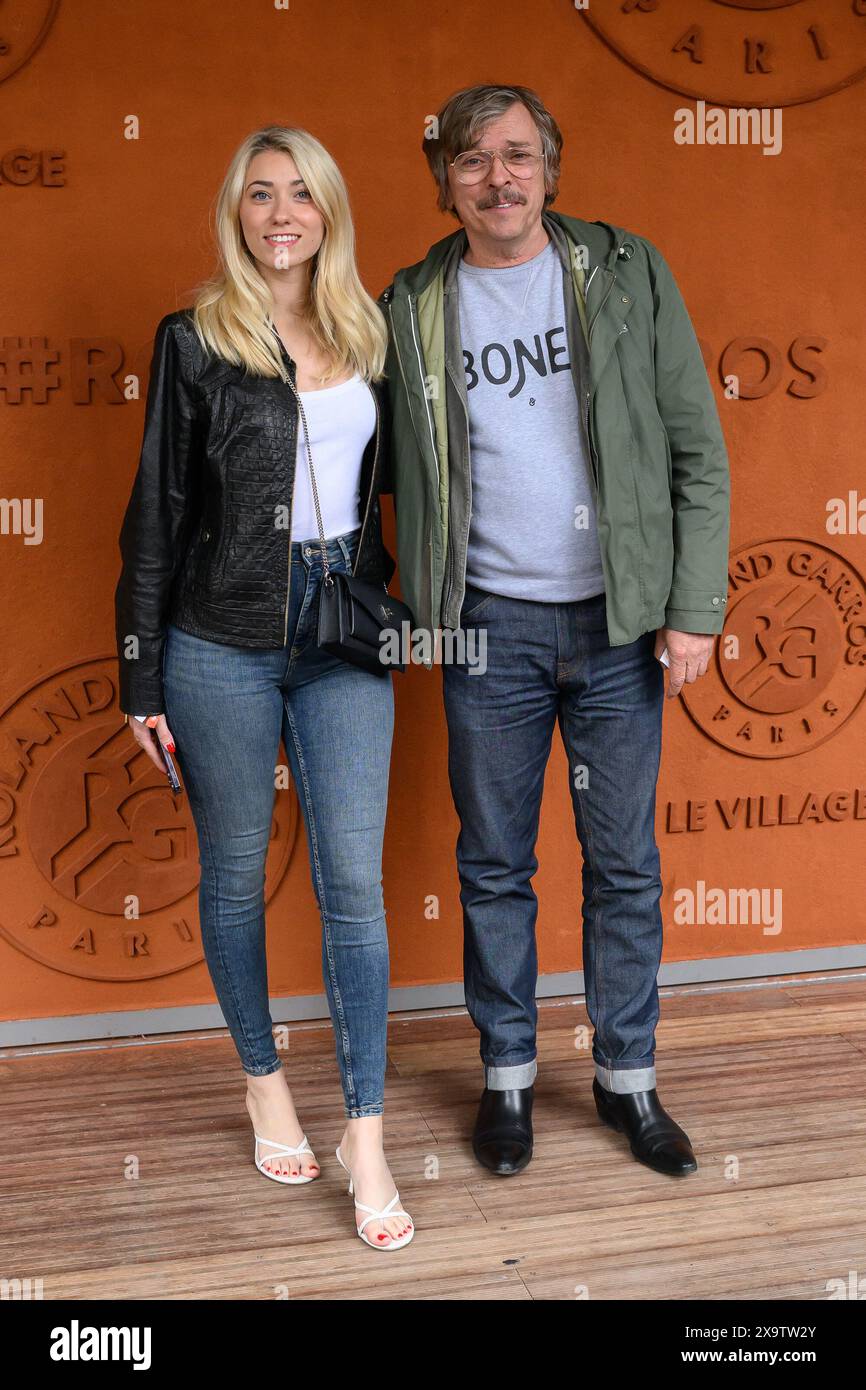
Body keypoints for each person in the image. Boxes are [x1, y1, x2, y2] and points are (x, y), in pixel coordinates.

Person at [380, 84, 730, 1178]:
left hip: (621, 620)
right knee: (492, 863)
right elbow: (376, 459)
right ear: (445, 179)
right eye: (473, 160)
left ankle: (628, 1081)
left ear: (549, 169)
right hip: (486, 624)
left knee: (622, 862)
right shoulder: (411, 299)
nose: (497, 178)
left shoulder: (624, 270)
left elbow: (693, 450)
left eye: (517, 155)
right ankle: (508, 1081)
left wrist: (691, 609)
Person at [114, 126, 413, 1248]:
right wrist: (141, 671)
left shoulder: (370, 328)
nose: (280, 212)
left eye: (300, 194)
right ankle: (262, 1079)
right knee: (235, 873)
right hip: (219, 636)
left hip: (343, 625)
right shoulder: (195, 338)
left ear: (327, 210)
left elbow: (411, 489)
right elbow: (156, 514)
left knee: (354, 888)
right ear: (235, 212)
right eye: (258, 194)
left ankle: (367, 1135)